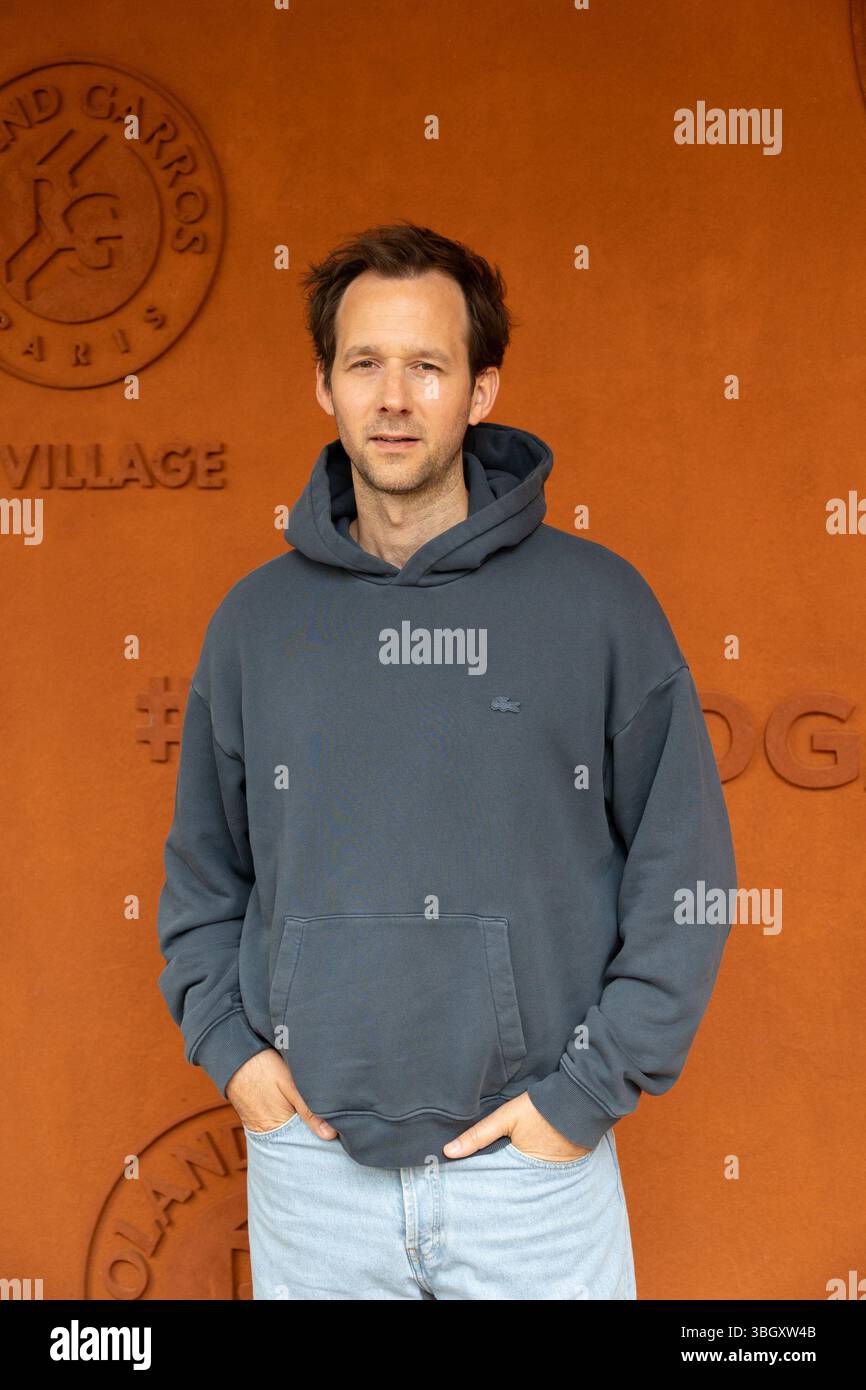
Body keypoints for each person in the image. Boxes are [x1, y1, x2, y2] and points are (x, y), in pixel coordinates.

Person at [155, 220, 738, 1300]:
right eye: (363, 362)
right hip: (313, 1173)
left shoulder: (597, 606)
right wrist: (236, 1057)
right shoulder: (255, 624)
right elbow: (201, 877)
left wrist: (584, 1096)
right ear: (322, 387)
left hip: (532, 1182)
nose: (391, 396)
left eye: (426, 365)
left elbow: (687, 874)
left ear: (479, 392)